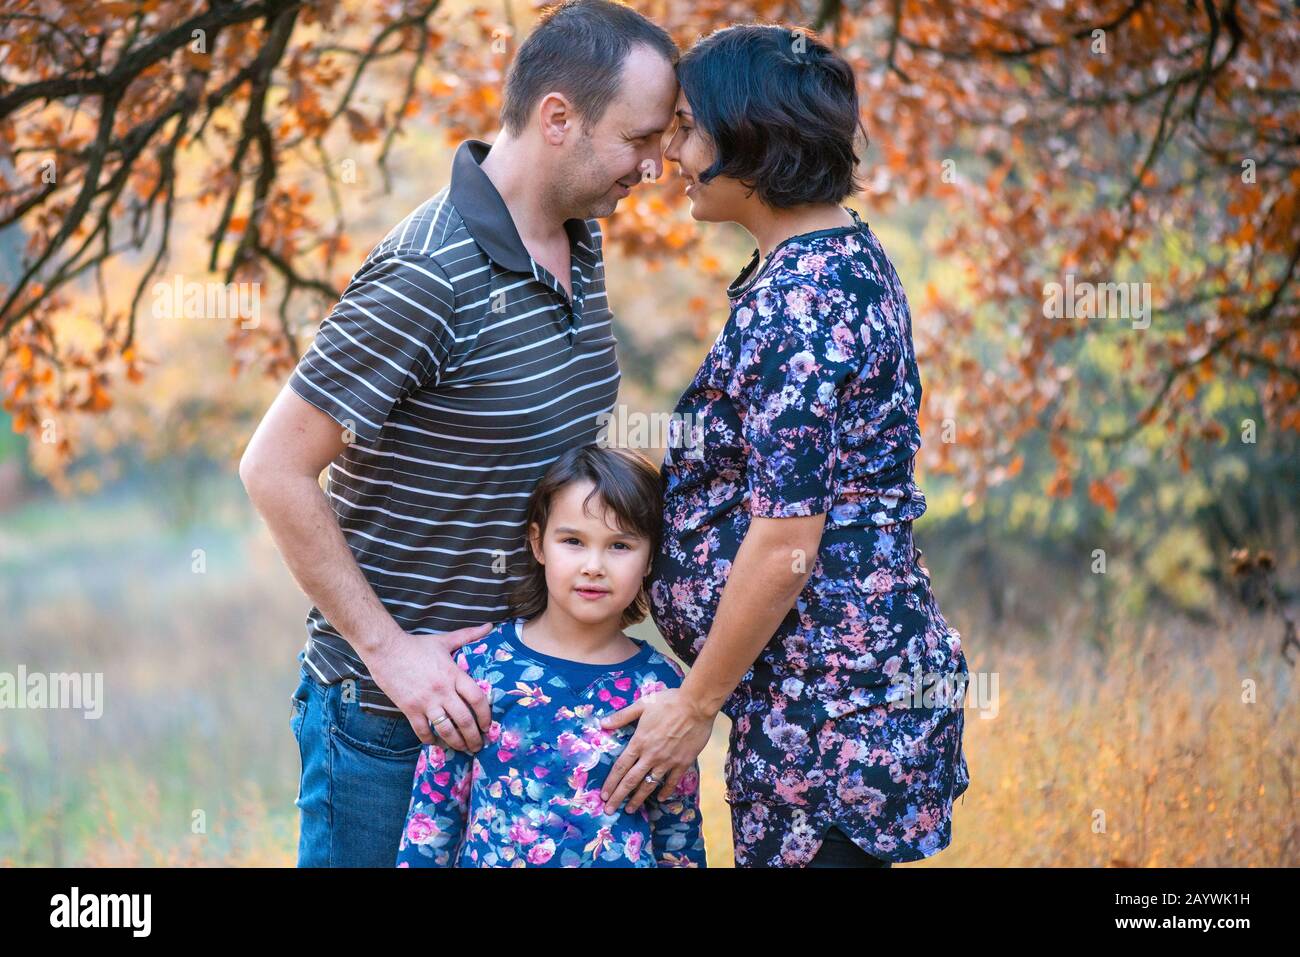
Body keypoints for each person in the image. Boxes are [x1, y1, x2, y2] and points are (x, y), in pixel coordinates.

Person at [239, 0, 680, 866]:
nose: (654, 165)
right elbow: (273, 467)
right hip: (389, 720)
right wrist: (390, 653)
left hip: (517, 710)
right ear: (560, 118)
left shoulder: (579, 240)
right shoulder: (427, 273)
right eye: (638, 139)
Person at [596, 24, 971, 867]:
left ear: (752, 140)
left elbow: (785, 543)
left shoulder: (798, 306)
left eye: (688, 126)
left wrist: (695, 705)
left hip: (833, 716)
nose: (670, 152)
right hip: (831, 697)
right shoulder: (837, 259)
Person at [395, 444, 707, 867]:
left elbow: (678, 833)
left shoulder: (664, 688)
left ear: (650, 557)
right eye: (573, 541)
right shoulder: (480, 667)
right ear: (538, 544)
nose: (594, 565)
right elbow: (433, 820)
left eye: (620, 546)